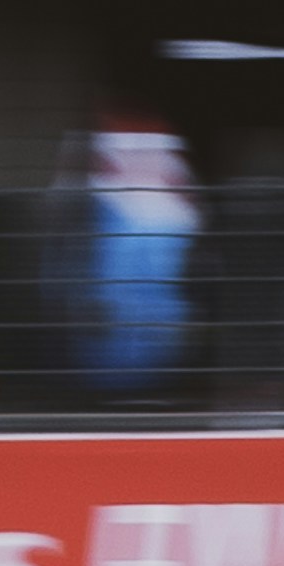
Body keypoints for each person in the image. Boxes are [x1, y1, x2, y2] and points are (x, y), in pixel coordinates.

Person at [81, 114, 199, 400]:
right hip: (126, 298)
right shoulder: (113, 191)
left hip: (144, 292)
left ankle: (137, 384)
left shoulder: (149, 184)